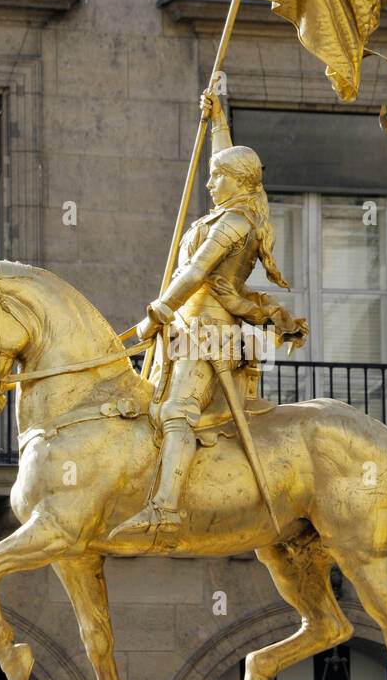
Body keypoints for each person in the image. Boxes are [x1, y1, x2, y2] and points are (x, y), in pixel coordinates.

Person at [110, 91, 308, 544]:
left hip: (208, 331)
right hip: (186, 328)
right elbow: (226, 160)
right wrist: (218, 118)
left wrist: (158, 311)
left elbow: (197, 271)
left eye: (217, 177)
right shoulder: (229, 209)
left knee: (178, 411)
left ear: (239, 182)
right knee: (153, 407)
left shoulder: (235, 223)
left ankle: (165, 510)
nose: (208, 183)